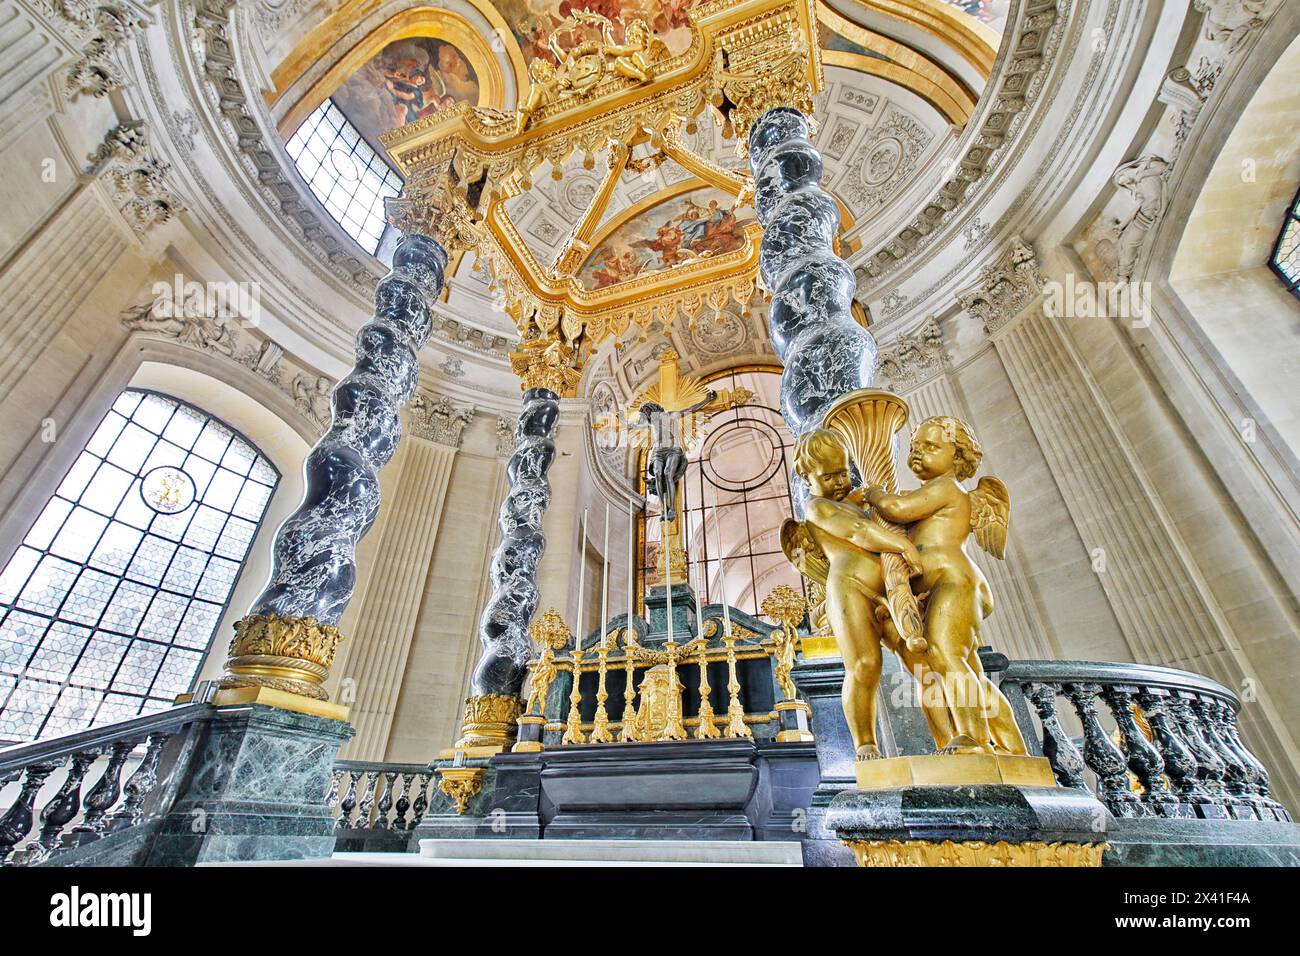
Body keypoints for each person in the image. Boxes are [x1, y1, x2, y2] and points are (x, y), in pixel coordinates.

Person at [865, 416, 1027, 755]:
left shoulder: (948, 487)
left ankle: (973, 737)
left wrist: (876, 494)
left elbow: (897, 509)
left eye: (930, 447)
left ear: (958, 457)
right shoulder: (931, 491)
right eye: (914, 448)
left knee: (943, 654)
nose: (917, 454)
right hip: (940, 588)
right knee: (969, 674)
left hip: (955, 582)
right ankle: (1012, 745)